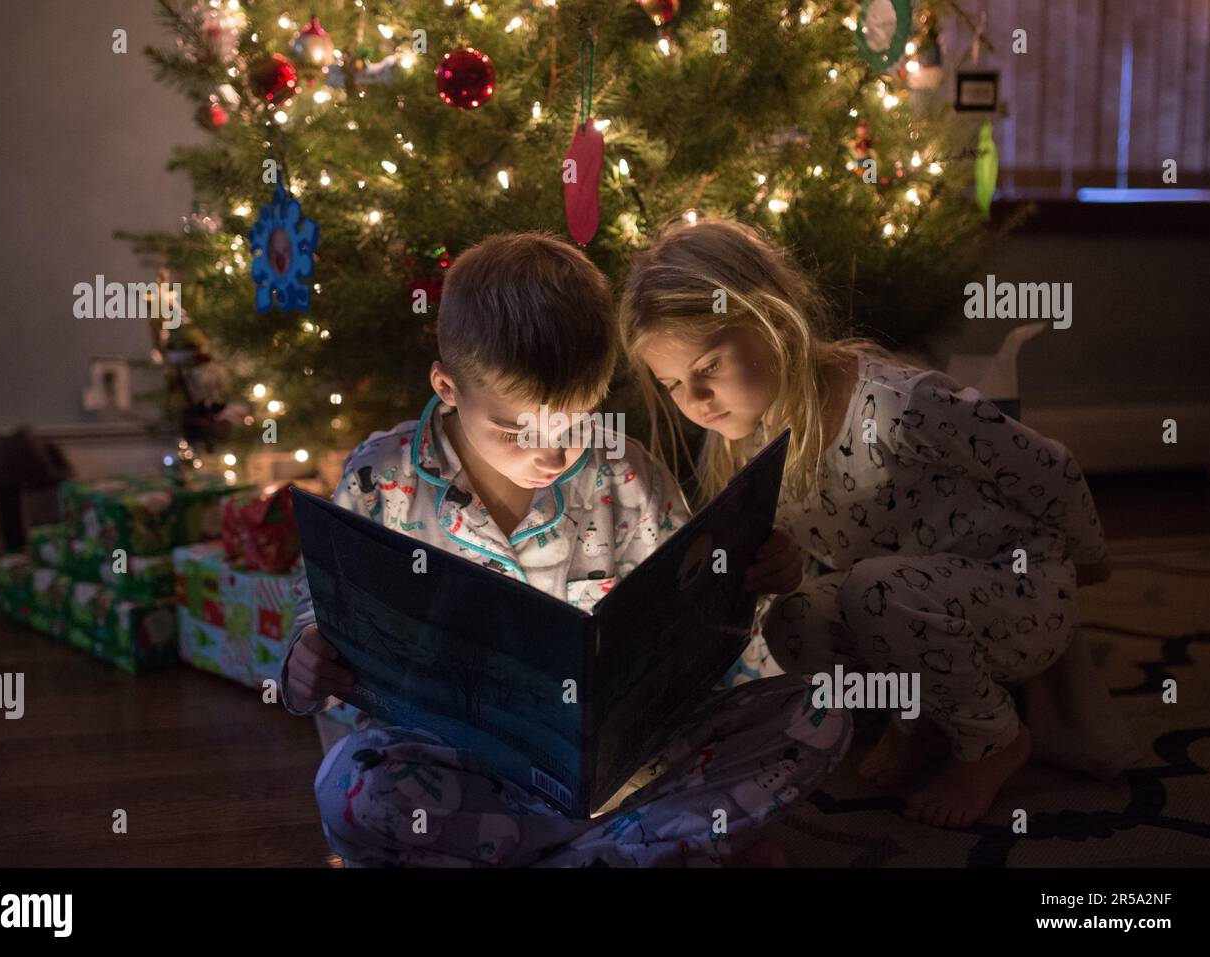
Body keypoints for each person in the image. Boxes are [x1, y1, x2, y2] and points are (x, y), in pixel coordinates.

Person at [281, 231, 852, 866]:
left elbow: (698, 633)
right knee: (352, 789)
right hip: (465, 772)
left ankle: (585, 850)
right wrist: (306, 662)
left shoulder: (626, 474)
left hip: (626, 769)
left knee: (819, 712)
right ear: (447, 387)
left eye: (574, 422)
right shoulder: (378, 477)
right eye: (514, 429)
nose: (550, 456)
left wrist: (753, 580)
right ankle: (640, 850)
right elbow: (321, 624)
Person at [619, 218, 1111, 829]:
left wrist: (1091, 558)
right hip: (907, 603)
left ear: (772, 319)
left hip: (1018, 590)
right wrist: (784, 565)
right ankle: (921, 720)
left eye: (710, 365)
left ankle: (993, 741)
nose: (694, 400)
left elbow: (1049, 468)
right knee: (793, 619)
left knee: (873, 590)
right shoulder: (749, 443)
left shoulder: (901, 404)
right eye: (672, 384)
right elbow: (810, 556)